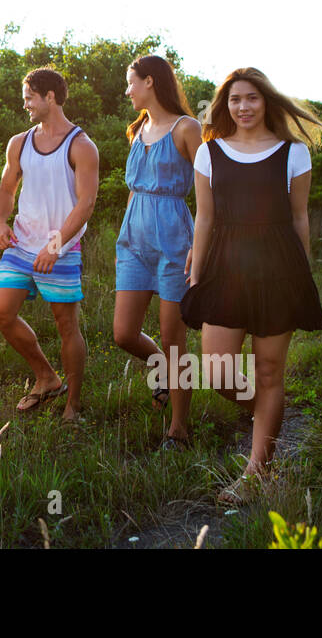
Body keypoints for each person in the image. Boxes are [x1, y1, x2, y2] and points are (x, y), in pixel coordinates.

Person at [180, 67, 322, 504]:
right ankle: (267, 412)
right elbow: (205, 218)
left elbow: (299, 217)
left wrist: (302, 272)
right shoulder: (209, 153)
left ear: (266, 101)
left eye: (251, 98)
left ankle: (257, 471)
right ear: (224, 105)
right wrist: (197, 274)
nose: (242, 107)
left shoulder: (293, 152)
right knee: (217, 368)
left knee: (268, 372)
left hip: (278, 267)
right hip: (224, 267)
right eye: (234, 100)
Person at [0, 68, 99, 422]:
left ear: (49, 97)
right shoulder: (19, 143)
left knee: (66, 326)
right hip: (22, 243)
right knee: (0, 312)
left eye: (29, 98)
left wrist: (55, 246)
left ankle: (73, 404)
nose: (25, 105)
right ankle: (46, 377)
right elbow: (7, 190)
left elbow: (86, 203)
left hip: (61, 247)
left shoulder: (81, 146)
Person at [112, 55, 201, 448]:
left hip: (174, 241)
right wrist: (124, 236)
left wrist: (202, 243)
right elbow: (134, 188)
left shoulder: (187, 128)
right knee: (123, 333)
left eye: (131, 82)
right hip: (134, 240)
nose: (127, 90)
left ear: (150, 81)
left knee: (173, 338)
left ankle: (178, 428)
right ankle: (162, 372)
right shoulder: (139, 128)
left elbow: (209, 187)